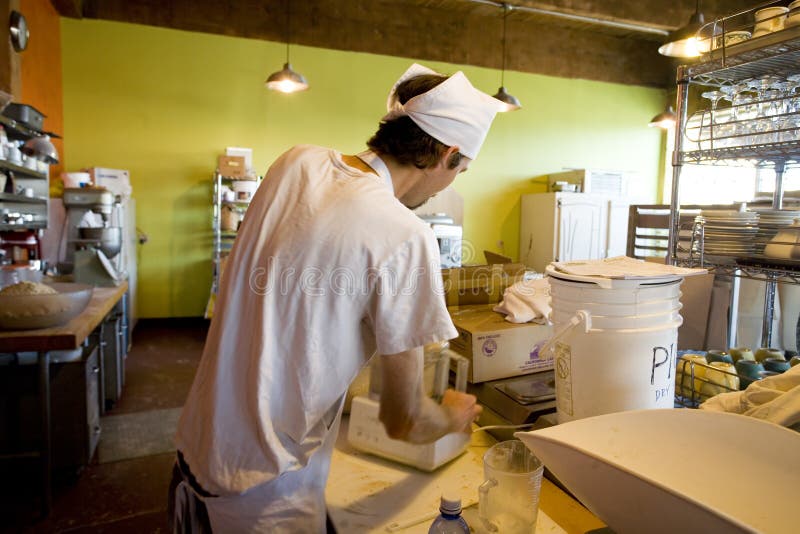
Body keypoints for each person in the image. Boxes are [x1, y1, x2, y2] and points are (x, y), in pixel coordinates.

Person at [170, 63, 504, 533]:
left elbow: (294, 293)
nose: (451, 184)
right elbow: (402, 419)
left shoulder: (295, 163)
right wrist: (451, 416)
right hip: (263, 499)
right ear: (446, 154)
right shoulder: (406, 235)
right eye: (460, 170)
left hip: (194, 454)